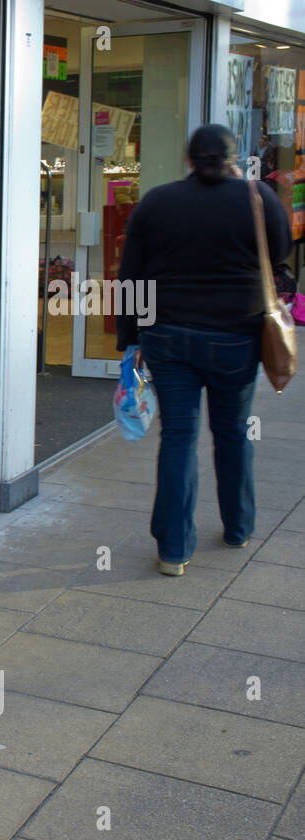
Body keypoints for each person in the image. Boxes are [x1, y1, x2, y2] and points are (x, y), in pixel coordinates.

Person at [117, 124, 291, 576]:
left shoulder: (157, 202)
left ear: (189, 159)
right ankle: (237, 527)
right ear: (233, 159)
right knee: (232, 432)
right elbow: (280, 253)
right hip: (237, 338)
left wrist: (131, 336)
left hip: (169, 338)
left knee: (178, 437)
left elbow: (132, 274)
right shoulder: (257, 199)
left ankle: (173, 550)